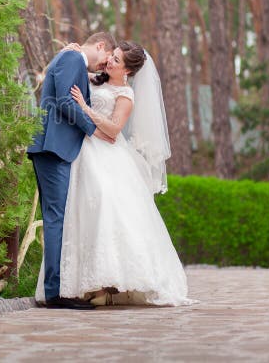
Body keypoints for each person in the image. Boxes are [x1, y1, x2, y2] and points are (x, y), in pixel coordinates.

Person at [35, 41, 195, 307]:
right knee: (78, 214)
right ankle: (78, 284)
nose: (110, 62)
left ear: (128, 72)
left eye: (117, 61)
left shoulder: (126, 95)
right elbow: (68, 70)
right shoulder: (97, 78)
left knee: (105, 209)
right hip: (80, 150)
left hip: (104, 151)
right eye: (113, 57)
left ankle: (106, 281)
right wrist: (70, 52)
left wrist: (86, 110)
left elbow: (113, 130)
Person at [27, 32, 116, 310]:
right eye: (105, 61)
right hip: (53, 148)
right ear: (100, 46)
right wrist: (92, 129)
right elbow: (65, 102)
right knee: (56, 220)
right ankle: (54, 294)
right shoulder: (72, 58)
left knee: (55, 219)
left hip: (52, 148)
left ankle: (54, 290)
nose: (104, 66)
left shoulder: (68, 57)